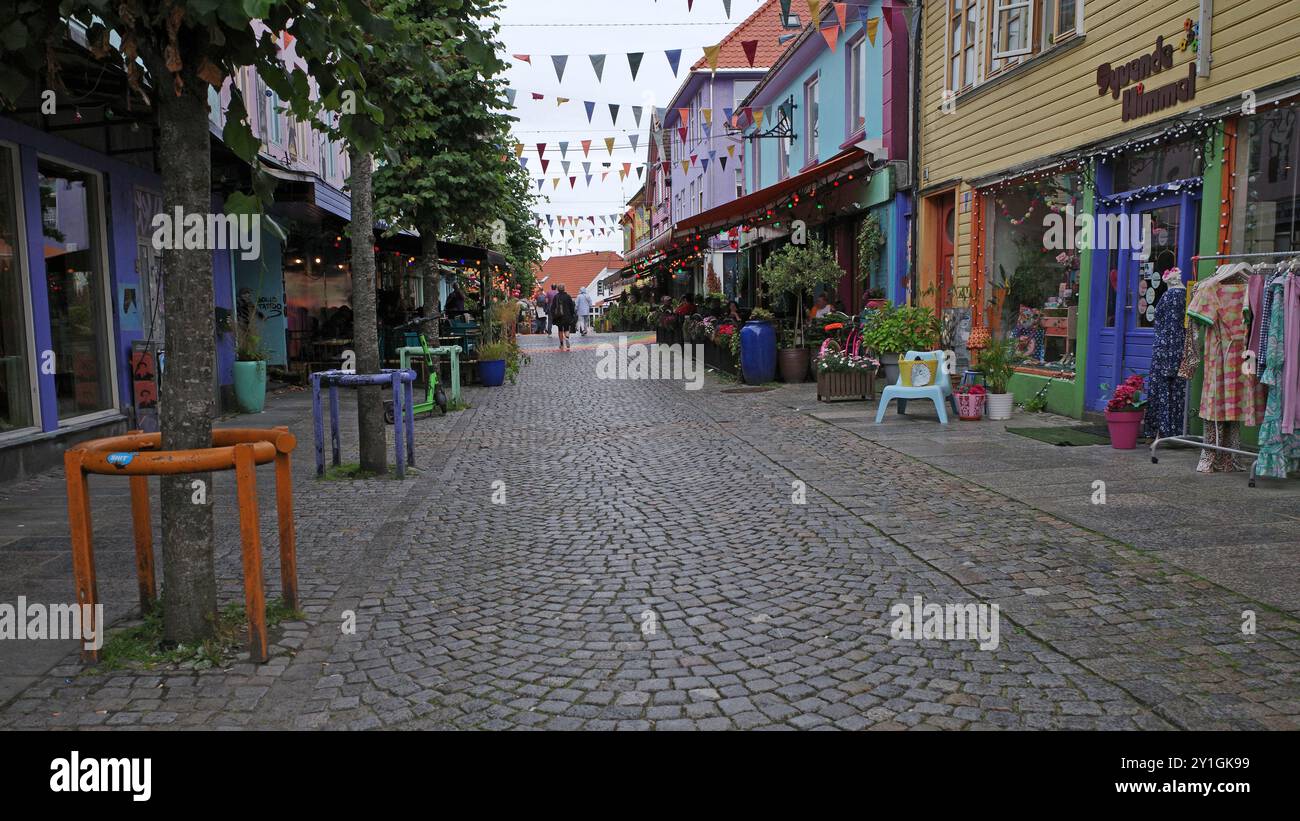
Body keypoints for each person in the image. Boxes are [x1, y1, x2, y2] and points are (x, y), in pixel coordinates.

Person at [550, 283, 577, 350]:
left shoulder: (556, 297)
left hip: (559, 316)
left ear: (558, 289)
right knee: (566, 328)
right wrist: (572, 314)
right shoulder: (568, 296)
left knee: (560, 329)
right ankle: (567, 338)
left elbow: (552, 307)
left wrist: (553, 315)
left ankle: (561, 343)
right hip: (567, 315)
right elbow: (572, 306)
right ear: (564, 289)